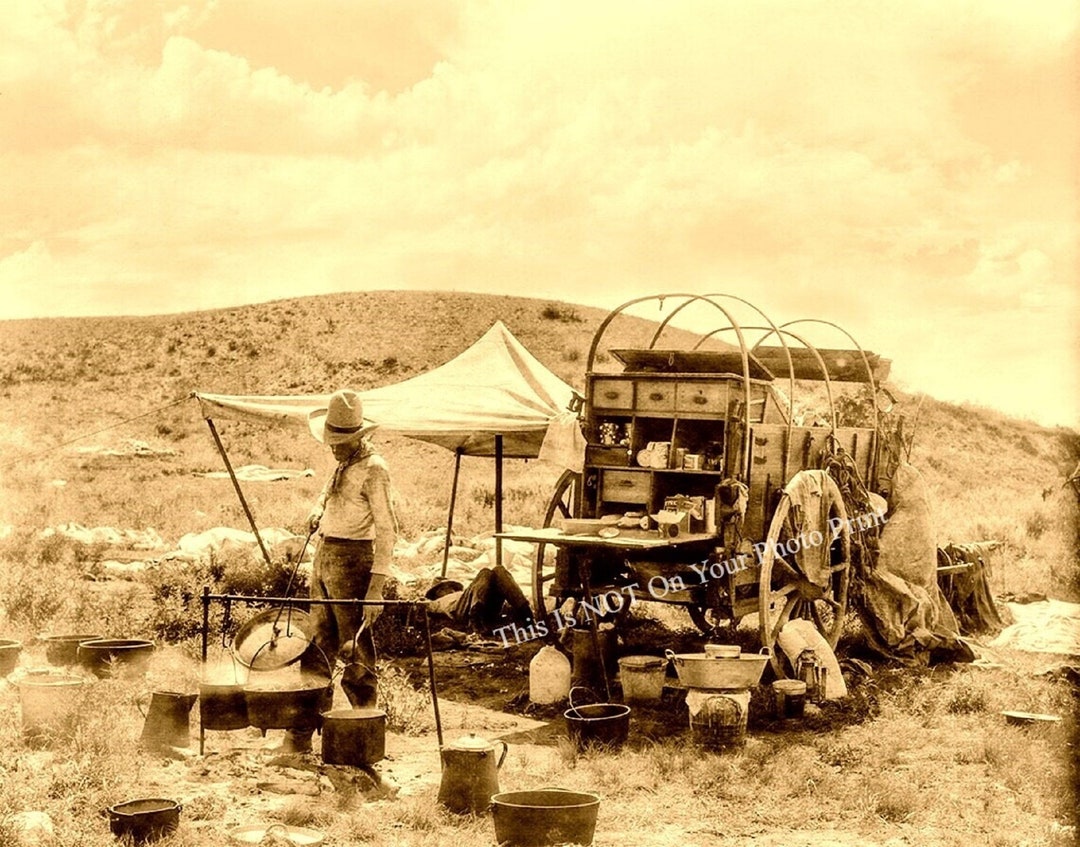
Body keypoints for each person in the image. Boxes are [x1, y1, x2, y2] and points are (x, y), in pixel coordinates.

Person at [282, 389, 397, 753]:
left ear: (358, 437)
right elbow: (326, 495)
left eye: (340, 442)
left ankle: (365, 738)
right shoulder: (342, 463)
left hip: (354, 561)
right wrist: (317, 511)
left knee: (357, 652)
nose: (333, 448)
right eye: (331, 441)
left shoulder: (375, 469)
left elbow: (387, 529)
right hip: (325, 556)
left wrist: (375, 588)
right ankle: (301, 735)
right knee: (316, 647)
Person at [425, 565, 535, 640]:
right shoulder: (438, 602)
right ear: (437, 593)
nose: (450, 589)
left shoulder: (466, 593)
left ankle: (526, 614)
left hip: (484, 606)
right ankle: (475, 618)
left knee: (499, 570)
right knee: (485, 572)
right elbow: (426, 607)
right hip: (463, 610)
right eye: (444, 588)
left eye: (451, 586)